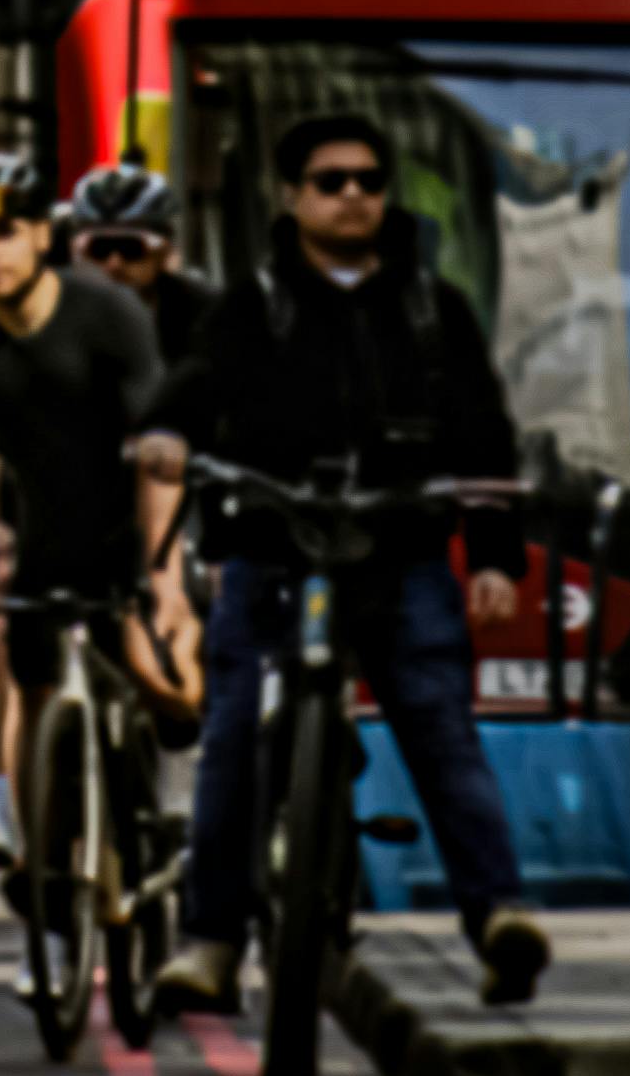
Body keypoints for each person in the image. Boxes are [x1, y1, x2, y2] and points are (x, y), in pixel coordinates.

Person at [140, 113, 549, 1017]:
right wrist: (166, 435)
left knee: (442, 734)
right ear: (294, 197)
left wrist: (490, 557)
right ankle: (210, 943)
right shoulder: (247, 307)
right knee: (235, 738)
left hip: (400, 558)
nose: (354, 195)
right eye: (331, 181)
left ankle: (499, 918)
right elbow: (191, 389)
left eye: (368, 179)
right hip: (270, 556)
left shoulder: (431, 308)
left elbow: (483, 434)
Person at [0, 168, 163, 879]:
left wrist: (165, 573)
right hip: (35, 538)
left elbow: (158, 455)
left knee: (155, 684)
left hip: (125, 527)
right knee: (26, 679)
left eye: (8, 232)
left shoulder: (110, 316)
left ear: (41, 236)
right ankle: (35, 851)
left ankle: (140, 813)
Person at [63, 163, 216, 389]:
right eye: (100, 249)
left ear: (163, 251)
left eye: (130, 247)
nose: (114, 264)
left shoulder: (203, 315)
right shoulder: (56, 314)